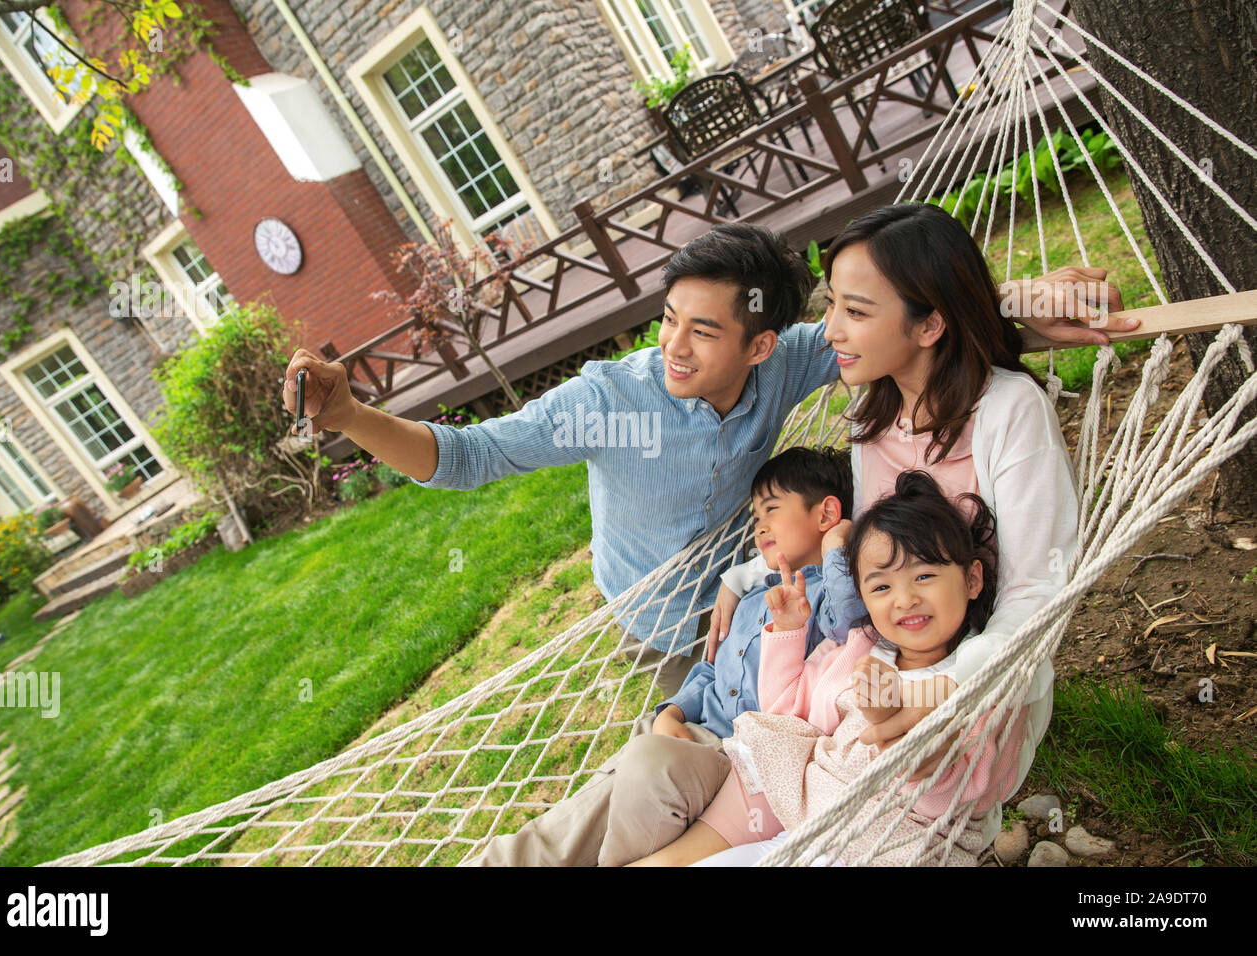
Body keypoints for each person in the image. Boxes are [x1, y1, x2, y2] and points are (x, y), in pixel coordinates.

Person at [282, 219, 1126, 694]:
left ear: (761, 347)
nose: (674, 349)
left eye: (704, 331)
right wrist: (351, 413)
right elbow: (464, 457)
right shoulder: (607, 403)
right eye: (668, 321)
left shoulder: (796, 356)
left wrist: (1027, 298)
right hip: (658, 620)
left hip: (769, 588)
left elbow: (903, 323)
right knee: (695, 737)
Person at [710, 203, 1078, 802]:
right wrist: (747, 575)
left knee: (794, 810)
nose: (830, 330)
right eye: (832, 304)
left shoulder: (1009, 412)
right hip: (873, 669)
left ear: (930, 325)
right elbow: (869, 559)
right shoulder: (872, 418)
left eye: (855, 311)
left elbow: (1036, 598)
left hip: (976, 691)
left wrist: (939, 689)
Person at [467, 446, 868, 866]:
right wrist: (673, 711)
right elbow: (709, 670)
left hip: (741, 754)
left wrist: (839, 543)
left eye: (771, 510)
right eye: (755, 518)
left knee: (641, 770)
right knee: (584, 816)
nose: (760, 526)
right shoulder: (750, 596)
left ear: (825, 514)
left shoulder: (827, 595)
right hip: (689, 735)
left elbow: (851, 619)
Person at [631, 471, 1028, 867]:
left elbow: (972, 789)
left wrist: (923, 756)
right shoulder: (858, 650)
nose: (905, 600)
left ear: (972, 578)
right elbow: (786, 710)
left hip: (886, 847)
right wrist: (789, 631)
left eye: (924, 576)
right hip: (805, 826)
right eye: (881, 587)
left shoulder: (980, 675)